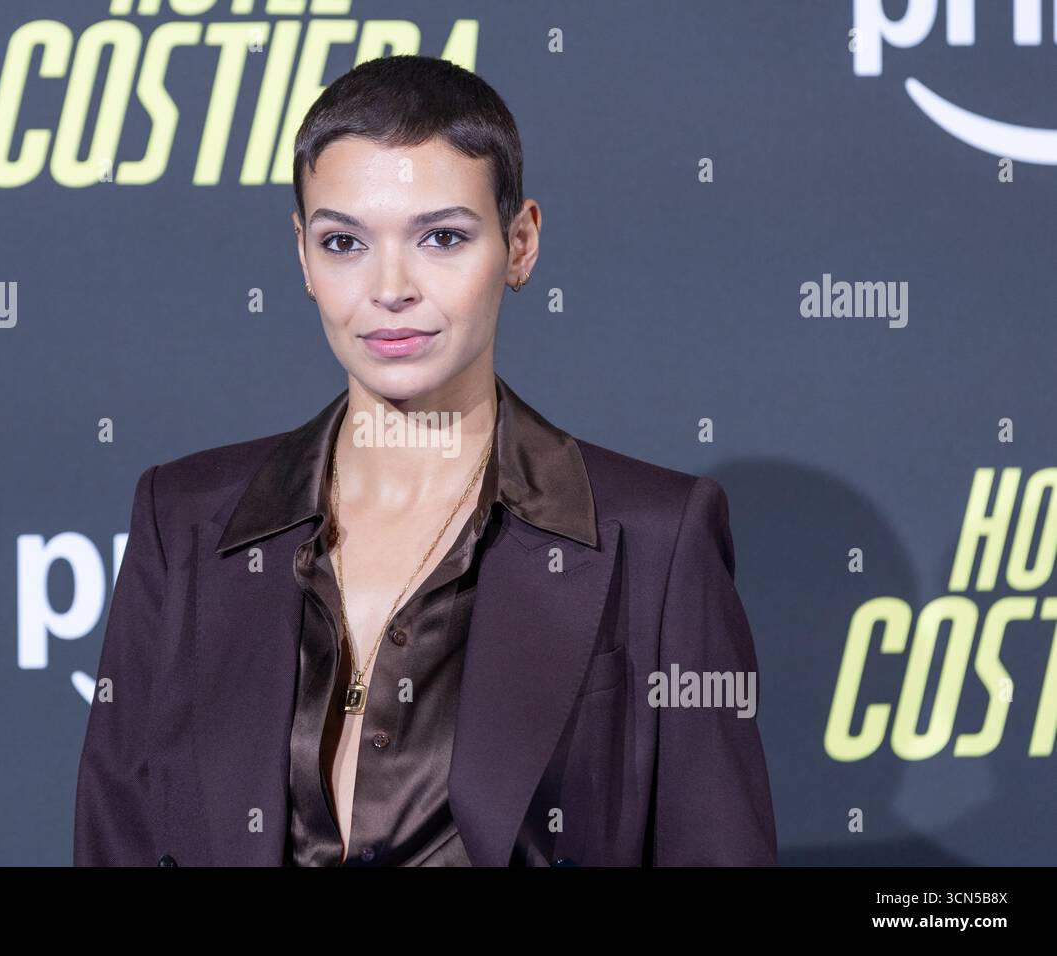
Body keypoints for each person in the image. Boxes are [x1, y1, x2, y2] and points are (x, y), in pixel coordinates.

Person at [74, 54, 777, 867]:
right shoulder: (186, 518)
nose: (392, 287)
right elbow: (116, 837)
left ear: (520, 246)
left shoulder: (654, 537)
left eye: (442, 237)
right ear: (303, 257)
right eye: (345, 242)